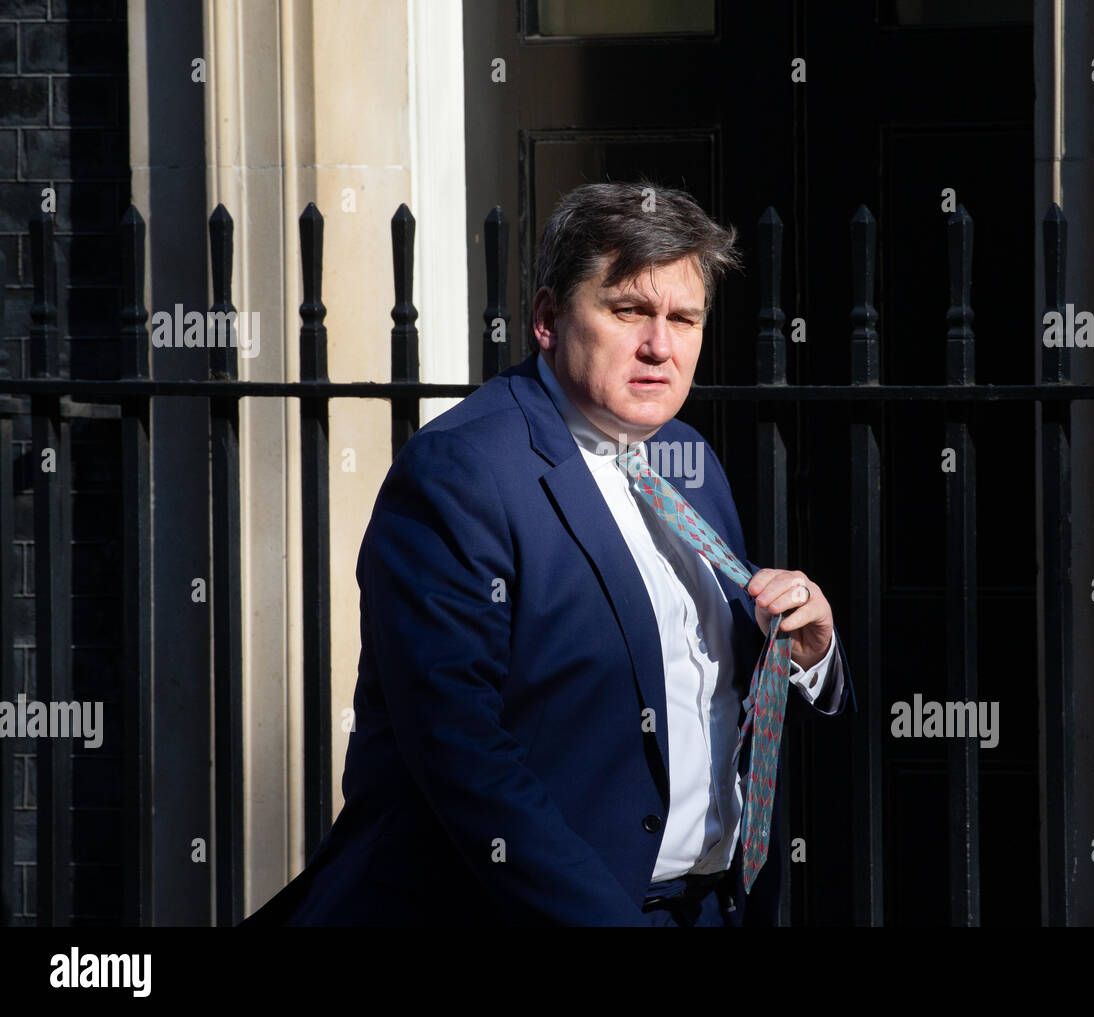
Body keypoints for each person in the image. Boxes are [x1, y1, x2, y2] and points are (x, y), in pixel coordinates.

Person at [244, 180, 855, 927]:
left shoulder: (689, 459)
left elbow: (704, 683)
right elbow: (466, 758)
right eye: (629, 309)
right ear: (545, 318)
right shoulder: (462, 472)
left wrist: (809, 655)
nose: (661, 344)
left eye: (684, 317)